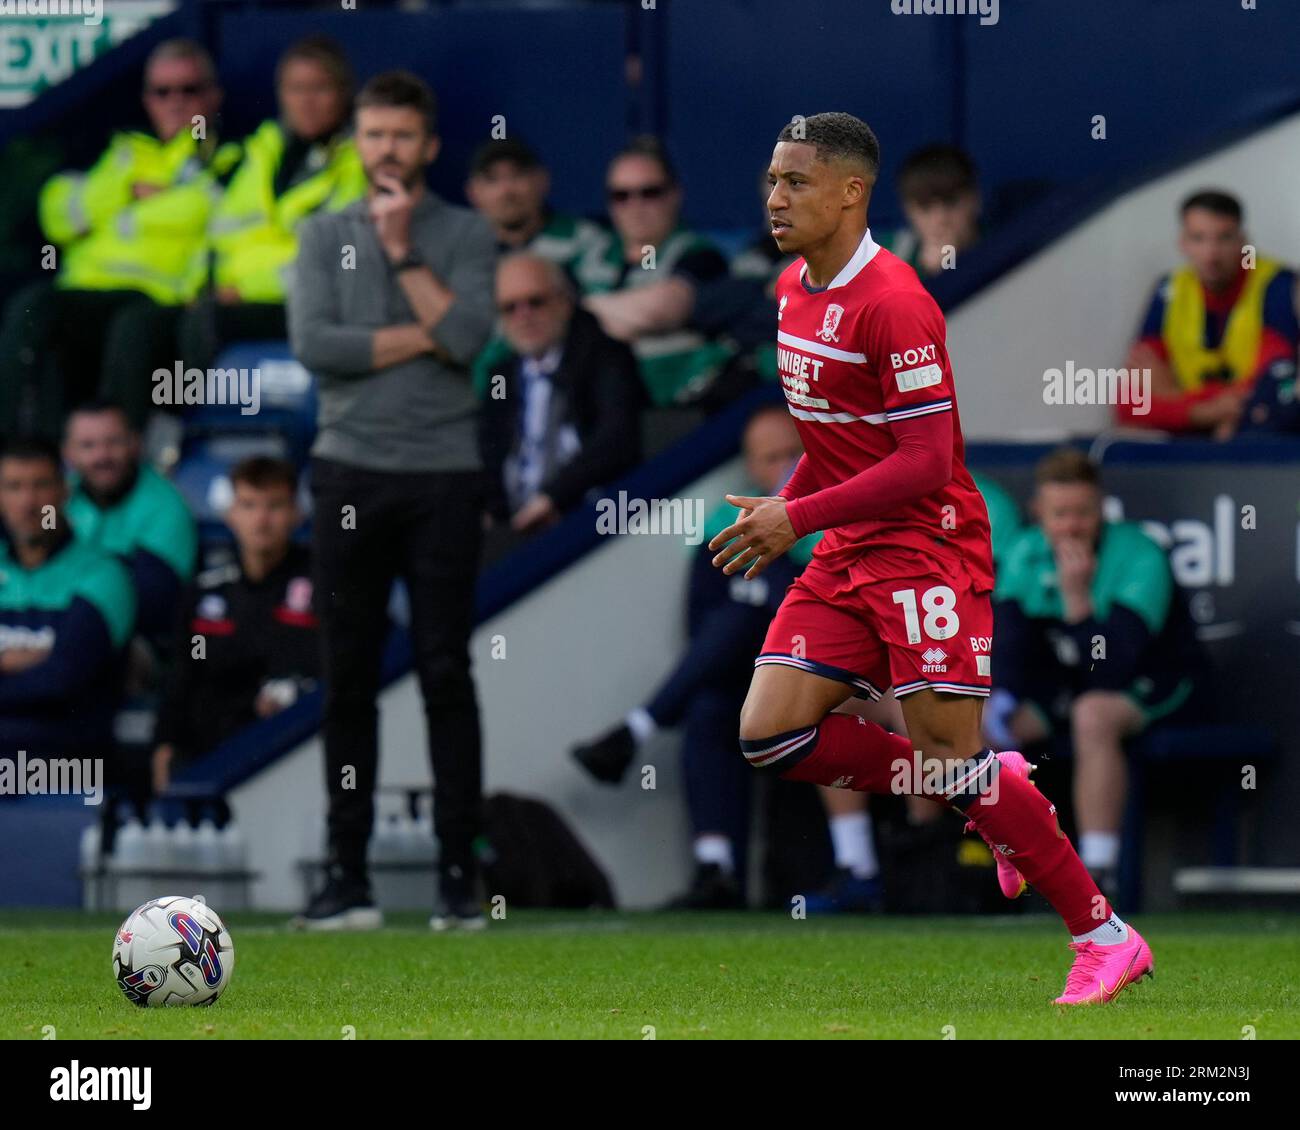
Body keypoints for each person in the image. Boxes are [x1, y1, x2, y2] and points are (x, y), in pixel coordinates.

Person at [711, 112, 1151, 1005]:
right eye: (771, 178)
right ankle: (992, 790)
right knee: (769, 735)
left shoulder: (897, 301)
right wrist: (795, 499)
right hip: (846, 546)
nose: (775, 197)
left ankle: (1104, 935)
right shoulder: (794, 290)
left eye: (796, 181)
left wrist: (794, 517)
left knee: (953, 763)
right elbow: (836, 436)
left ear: (850, 192)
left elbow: (922, 462)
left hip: (926, 551)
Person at [287, 71, 497, 931]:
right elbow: (312, 347)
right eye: (372, 136)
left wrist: (405, 251)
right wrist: (426, 335)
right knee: (347, 680)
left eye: (402, 137)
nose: (386, 151)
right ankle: (348, 880)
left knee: (445, 673)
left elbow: (468, 339)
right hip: (347, 473)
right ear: (355, 144)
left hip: (445, 475)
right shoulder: (318, 232)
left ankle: (458, 877)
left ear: (430, 146)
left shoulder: (465, 232)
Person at [571, 404, 812, 908]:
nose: (786, 468)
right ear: (751, 467)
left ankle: (636, 728)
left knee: (748, 610)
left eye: (795, 454)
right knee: (710, 700)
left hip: (812, 671)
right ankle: (716, 869)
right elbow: (699, 626)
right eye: (773, 458)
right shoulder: (724, 526)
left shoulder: (832, 516)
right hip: (741, 674)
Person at [985, 448, 1210, 896]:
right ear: (1038, 513)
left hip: (1153, 684)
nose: (1071, 525)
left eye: (1083, 513)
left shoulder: (1139, 553)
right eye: (1059, 514)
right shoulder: (1024, 551)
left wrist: (1077, 599)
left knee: (1093, 713)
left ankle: (1096, 874)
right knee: (980, 720)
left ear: (1101, 508)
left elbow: (1110, 671)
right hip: (1063, 683)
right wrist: (1003, 697)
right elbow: (1011, 645)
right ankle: (981, 867)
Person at [121, 35, 367, 429]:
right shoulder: (262, 152)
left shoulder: (359, 162)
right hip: (233, 295)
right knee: (140, 325)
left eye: (319, 88)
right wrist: (199, 288)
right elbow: (221, 234)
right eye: (295, 88)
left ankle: (188, 433)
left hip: (307, 303)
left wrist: (243, 289)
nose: (306, 100)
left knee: (208, 322)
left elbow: (333, 258)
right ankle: (126, 438)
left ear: (344, 93)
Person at [0, 39, 238, 442]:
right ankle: (21, 460)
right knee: (32, 307)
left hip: (161, 298)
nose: (175, 102)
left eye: (189, 90)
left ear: (214, 95)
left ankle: (114, 458)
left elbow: (228, 229)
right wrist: (124, 189)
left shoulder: (229, 163)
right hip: (88, 294)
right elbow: (58, 214)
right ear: (147, 99)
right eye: (162, 92)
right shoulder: (125, 155)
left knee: (132, 327)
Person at [153, 457, 319, 796]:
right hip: (213, 752)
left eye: (275, 506)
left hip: (297, 751)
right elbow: (182, 678)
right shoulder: (205, 592)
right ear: (230, 514)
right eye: (248, 505)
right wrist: (164, 744)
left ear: (297, 513)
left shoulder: (325, 587)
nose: (261, 520)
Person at [478, 252, 643, 540]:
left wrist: (554, 497)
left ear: (565, 302)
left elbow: (616, 439)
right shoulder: (501, 376)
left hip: (587, 521)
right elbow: (489, 448)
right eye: (510, 308)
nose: (523, 316)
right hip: (515, 530)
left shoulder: (606, 357)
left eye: (536, 302)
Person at [1118, 190, 1300, 438]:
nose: (1211, 254)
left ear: (1243, 242)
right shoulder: (1169, 290)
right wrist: (1206, 411)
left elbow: (1269, 396)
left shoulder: (1276, 285)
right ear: (1182, 242)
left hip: (1252, 442)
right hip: (1187, 448)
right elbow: (1129, 406)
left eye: (1224, 238)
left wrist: (1170, 396)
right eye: (1198, 238)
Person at [0, 437, 135, 759]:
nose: (29, 503)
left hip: (67, 762)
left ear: (65, 491)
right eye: (13, 487)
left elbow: (61, 679)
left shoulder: (103, 573)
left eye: (41, 485)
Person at [574, 137, 732, 407]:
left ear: (675, 194)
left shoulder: (700, 254)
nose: (635, 206)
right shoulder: (590, 254)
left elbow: (656, 311)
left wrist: (573, 313)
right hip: (590, 405)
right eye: (621, 196)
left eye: (649, 192)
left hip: (667, 411)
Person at [62, 402, 197, 644]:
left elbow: (152, 601)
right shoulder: (56, 499)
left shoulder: (165, 505)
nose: (102, 456)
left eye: (113, 442)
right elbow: (34, 565)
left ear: (135, 443)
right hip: (52, 627)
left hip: (135, 641)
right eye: (87, 445)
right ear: (68, 453)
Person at [464, 137, 610, 270]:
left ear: (543, 181)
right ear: (472, 193)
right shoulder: (461, 253)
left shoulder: (585, 240)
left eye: (517, 175)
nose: (506, 191)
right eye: (492, 179)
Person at [878, 144, 982, 278]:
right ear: (909, 211)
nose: (940, 218)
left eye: (950, 202)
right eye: (925, 207)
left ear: (975, 200)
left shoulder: (998, 245)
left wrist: (946, 267)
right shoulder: (890, 254)